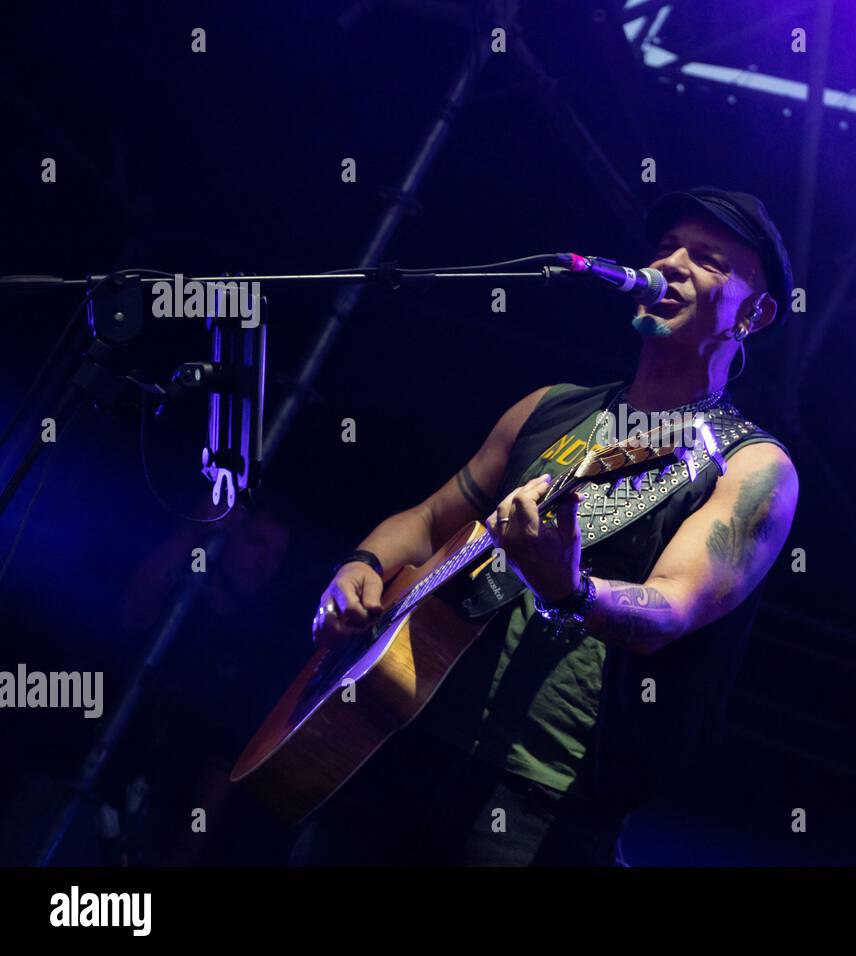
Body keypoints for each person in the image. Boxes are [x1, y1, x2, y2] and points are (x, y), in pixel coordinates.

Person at [291, 186, 800, 866]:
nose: (672, 264)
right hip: (402, 736)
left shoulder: (748, 465)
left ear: (757, 313)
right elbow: (426, 521)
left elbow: (670, 608)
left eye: (706, 259)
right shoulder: (550, 407)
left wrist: (570, 588)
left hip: (540, 795)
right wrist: (358, 567)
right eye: (664, 248)